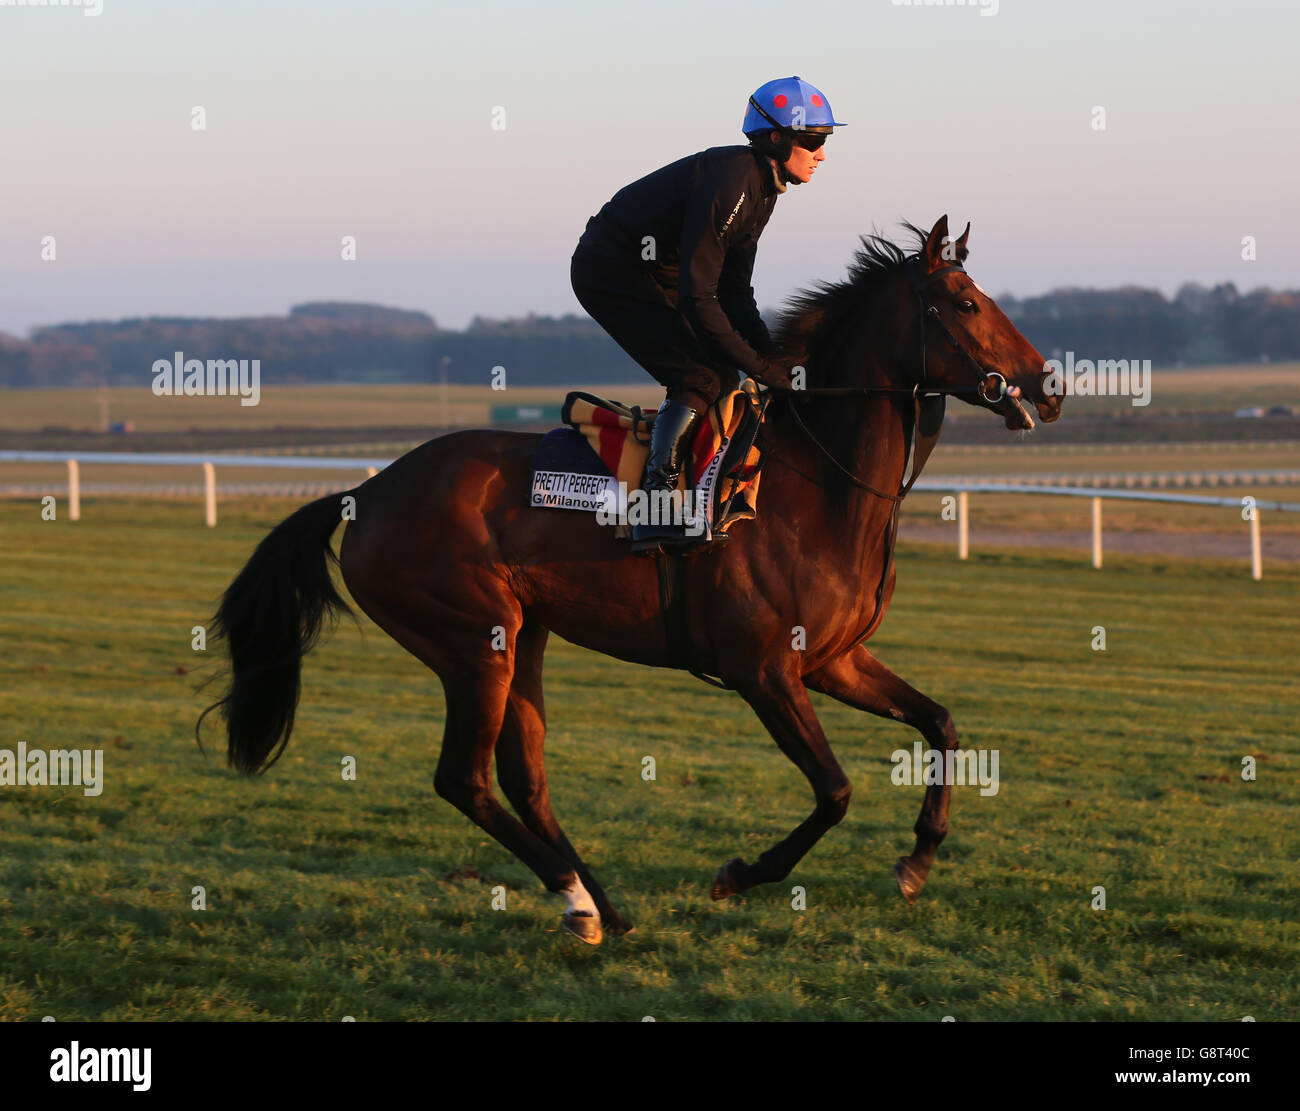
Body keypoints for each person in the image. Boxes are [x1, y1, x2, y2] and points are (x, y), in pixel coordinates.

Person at [570, 76, 845, 552]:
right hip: (611, 269)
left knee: (723, 370)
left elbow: (736, 292)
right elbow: (702, 298)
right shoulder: (736, 182)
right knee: (702, 374)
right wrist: (762, 368)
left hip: (659, 272)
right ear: (776, 138)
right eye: (814, 141)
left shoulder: (764, 187)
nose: (822, 154)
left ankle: (700, 485)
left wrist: (773, 357)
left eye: (825, 141)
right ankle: (655, 504)